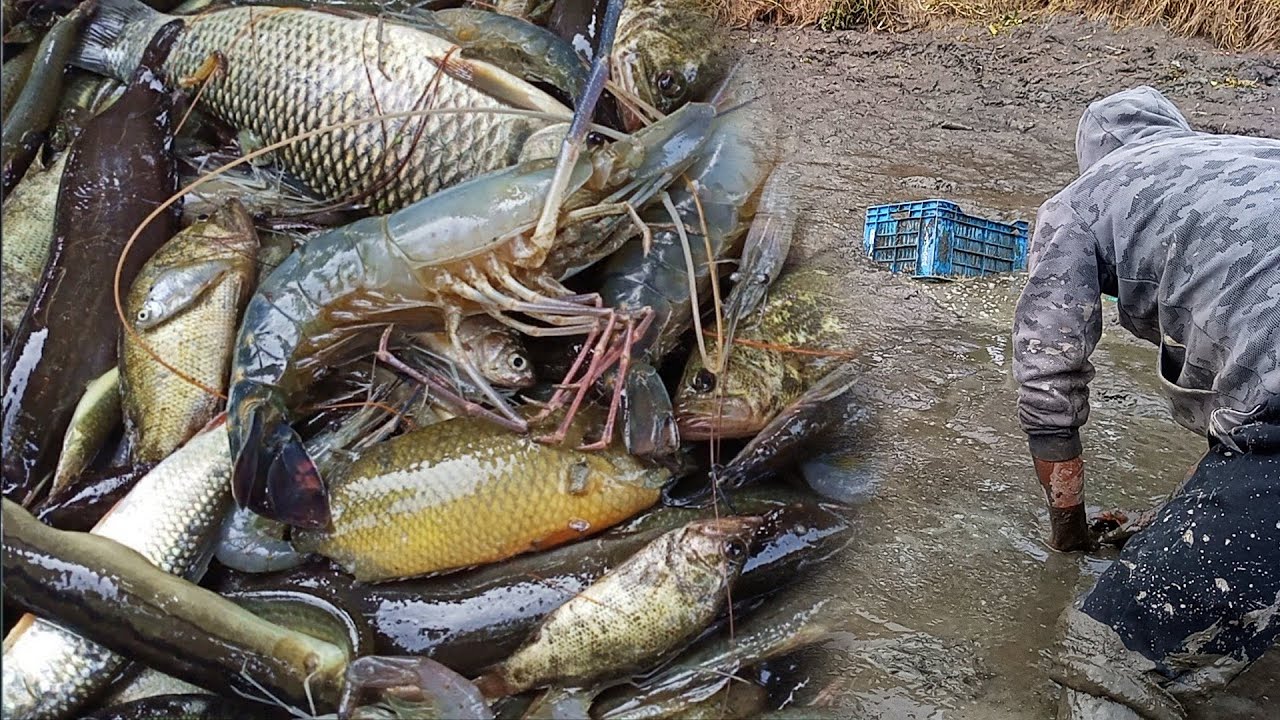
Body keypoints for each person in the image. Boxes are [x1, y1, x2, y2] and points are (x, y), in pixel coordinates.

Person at [1011, 85, 1280, 719]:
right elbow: (1249, 420)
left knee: (1100, 669)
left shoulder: (1082, 201)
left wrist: (1070, 536)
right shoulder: (1250, 154)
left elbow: (1047, 383)